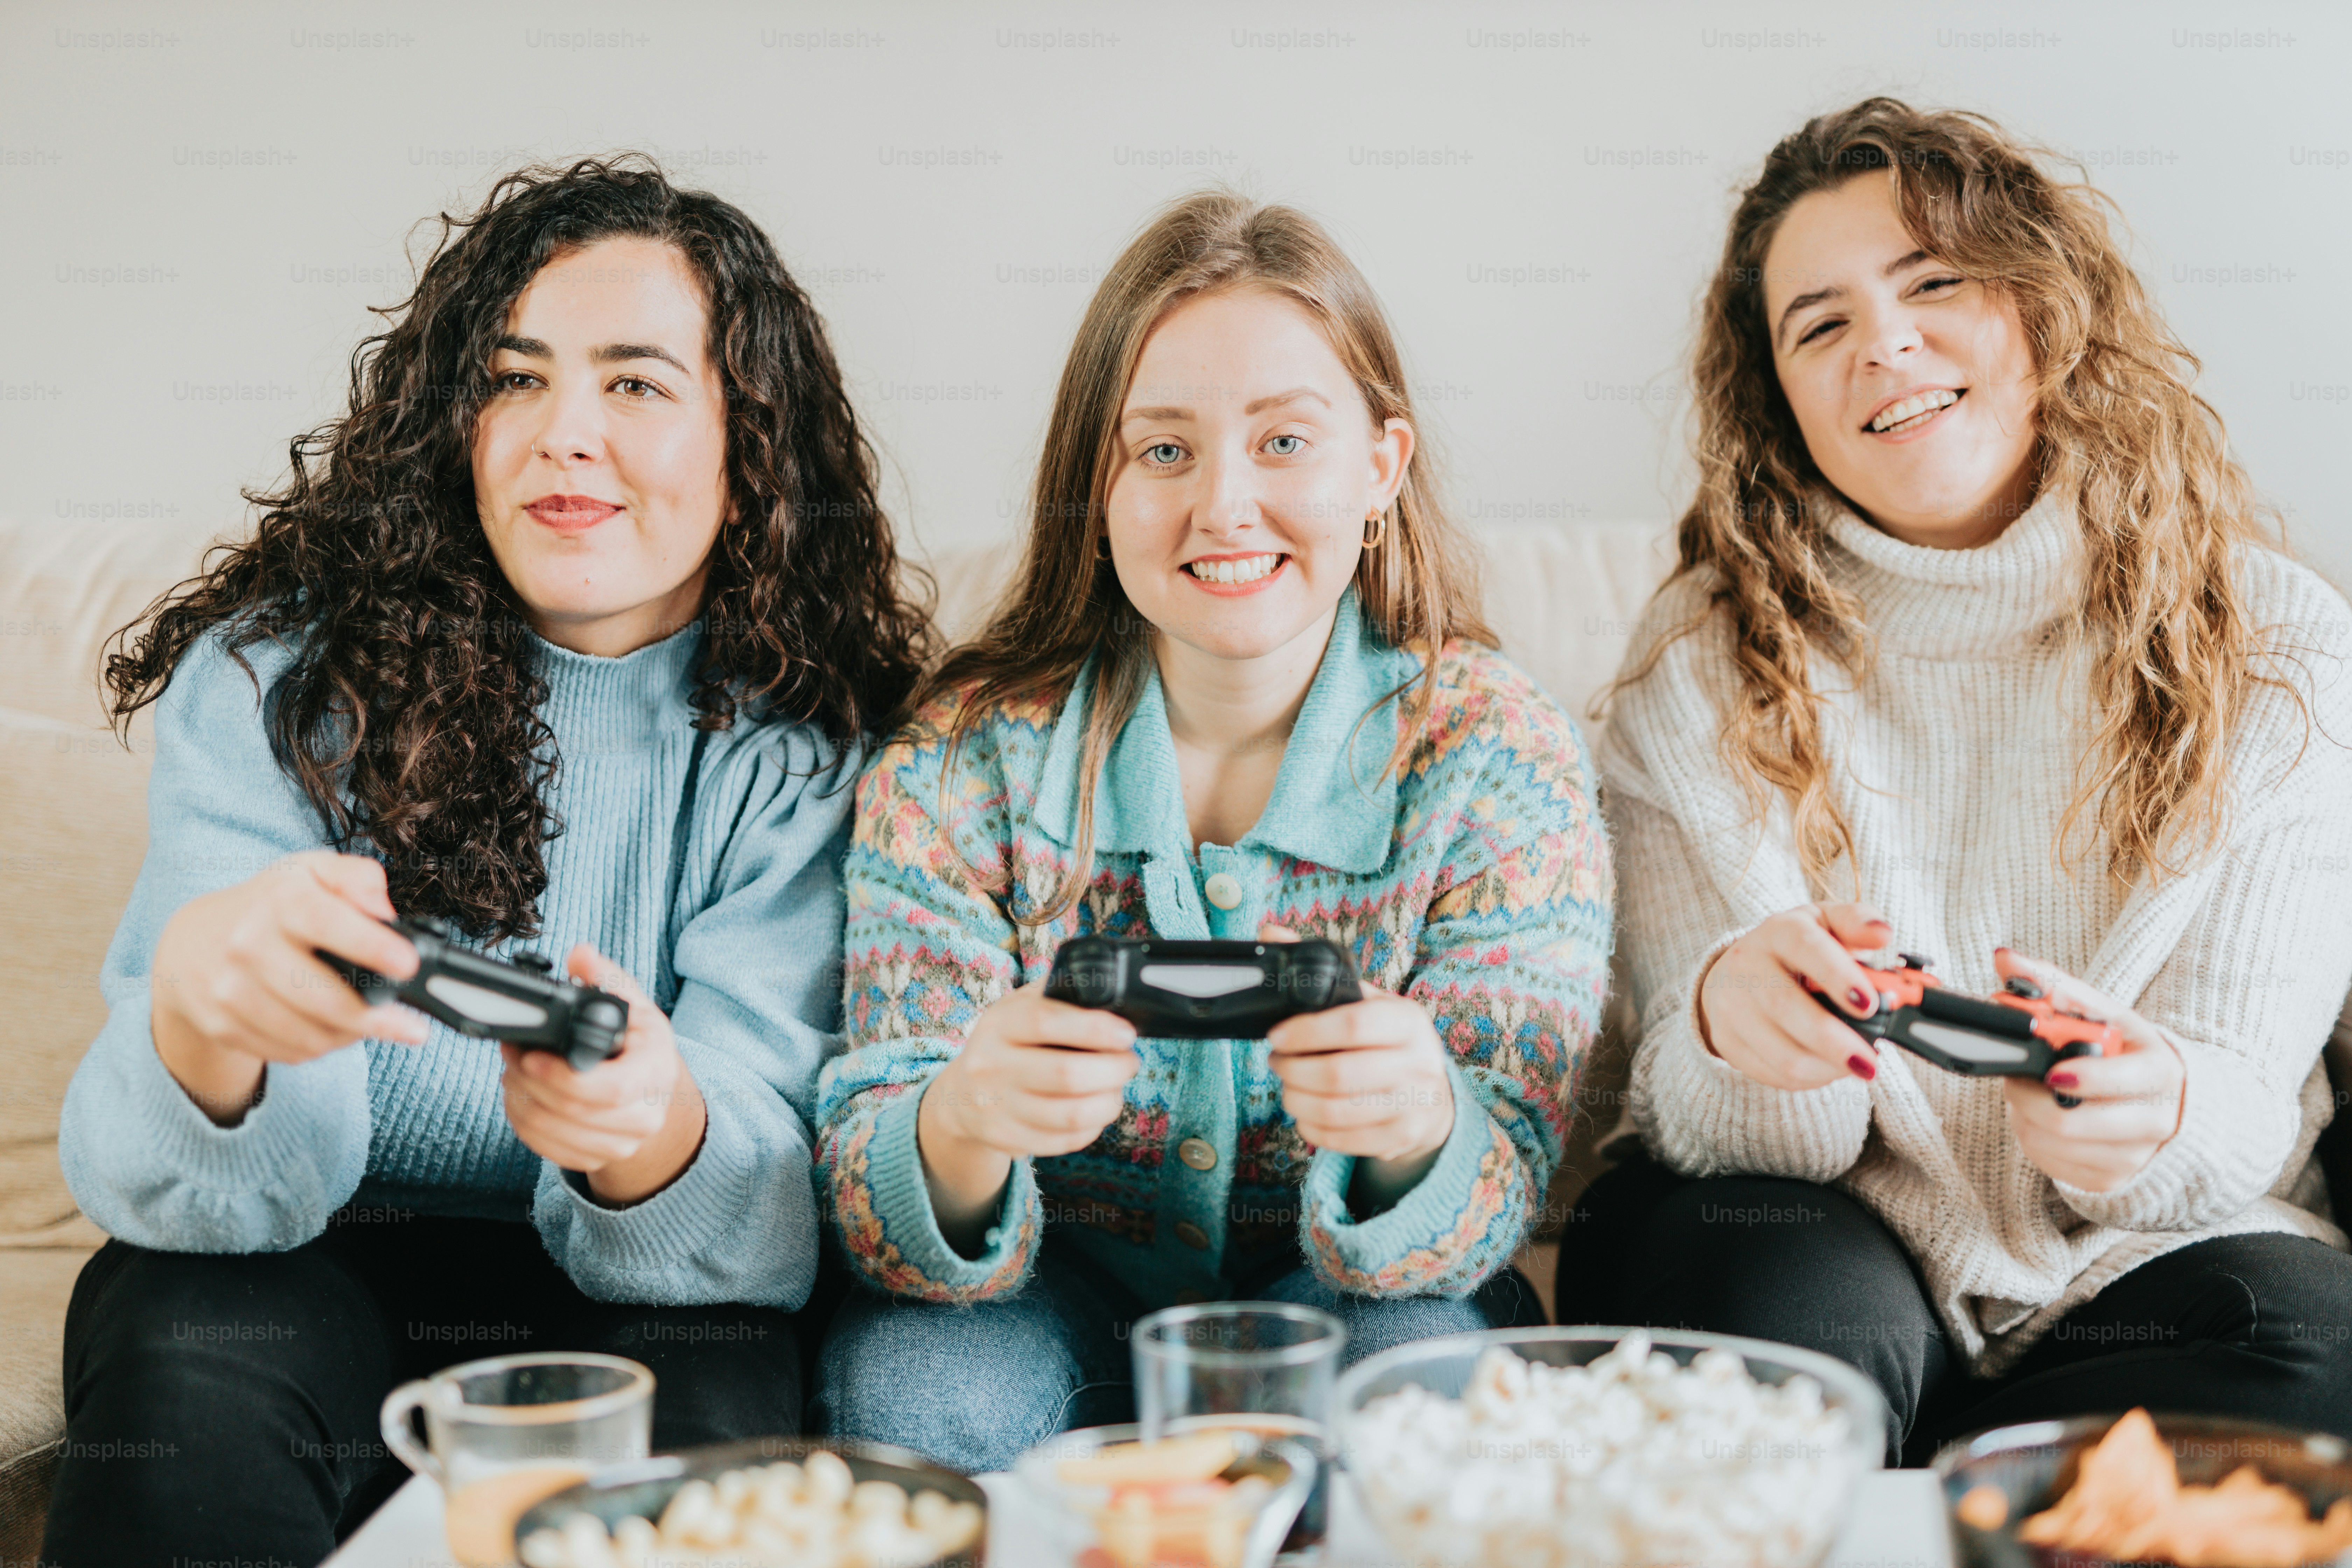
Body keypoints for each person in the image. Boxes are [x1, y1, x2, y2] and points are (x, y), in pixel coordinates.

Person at [45, 157, 929, 1566]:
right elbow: (174, 1199)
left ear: (748, 443)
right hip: (296, 1260)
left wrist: (653, 1127)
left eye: (635, 385)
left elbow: (758, 1238)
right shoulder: (281, 686)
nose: (562, 435)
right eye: (514, 380)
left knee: (714, 1385)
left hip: (650, 1294)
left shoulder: (809, 754)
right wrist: (206, 1029)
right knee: (182, 1338)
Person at [1559, 98, 2352, 1464]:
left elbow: (2241, 1109)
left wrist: (2147, 1112)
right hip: (1807, 1216)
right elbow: (1697, 1118)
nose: (1886, 343)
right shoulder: (1695, 656)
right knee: (1789, 1349)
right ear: (1780, 398)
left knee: (2316, 1350)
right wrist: (1744, 1034)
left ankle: (1993, 1468)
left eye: (1934, 284)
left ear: (2044, 312)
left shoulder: (2275, 640)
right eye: (1821, 324)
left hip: (2159, 1242)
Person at [812, 191, 1612, 1470]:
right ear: (1102, 484)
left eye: (1285, 441)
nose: (1225, 507)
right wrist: (959, 1122)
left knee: (1412, 1379)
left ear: (1379, 469)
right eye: (1165, 452)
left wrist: (1419, 1128)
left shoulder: (1492, 751)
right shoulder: (962, 753)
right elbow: (873, 1194)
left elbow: (1501, 1183)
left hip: (1360, 1296)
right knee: (917, 1394)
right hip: (1033, 1307)